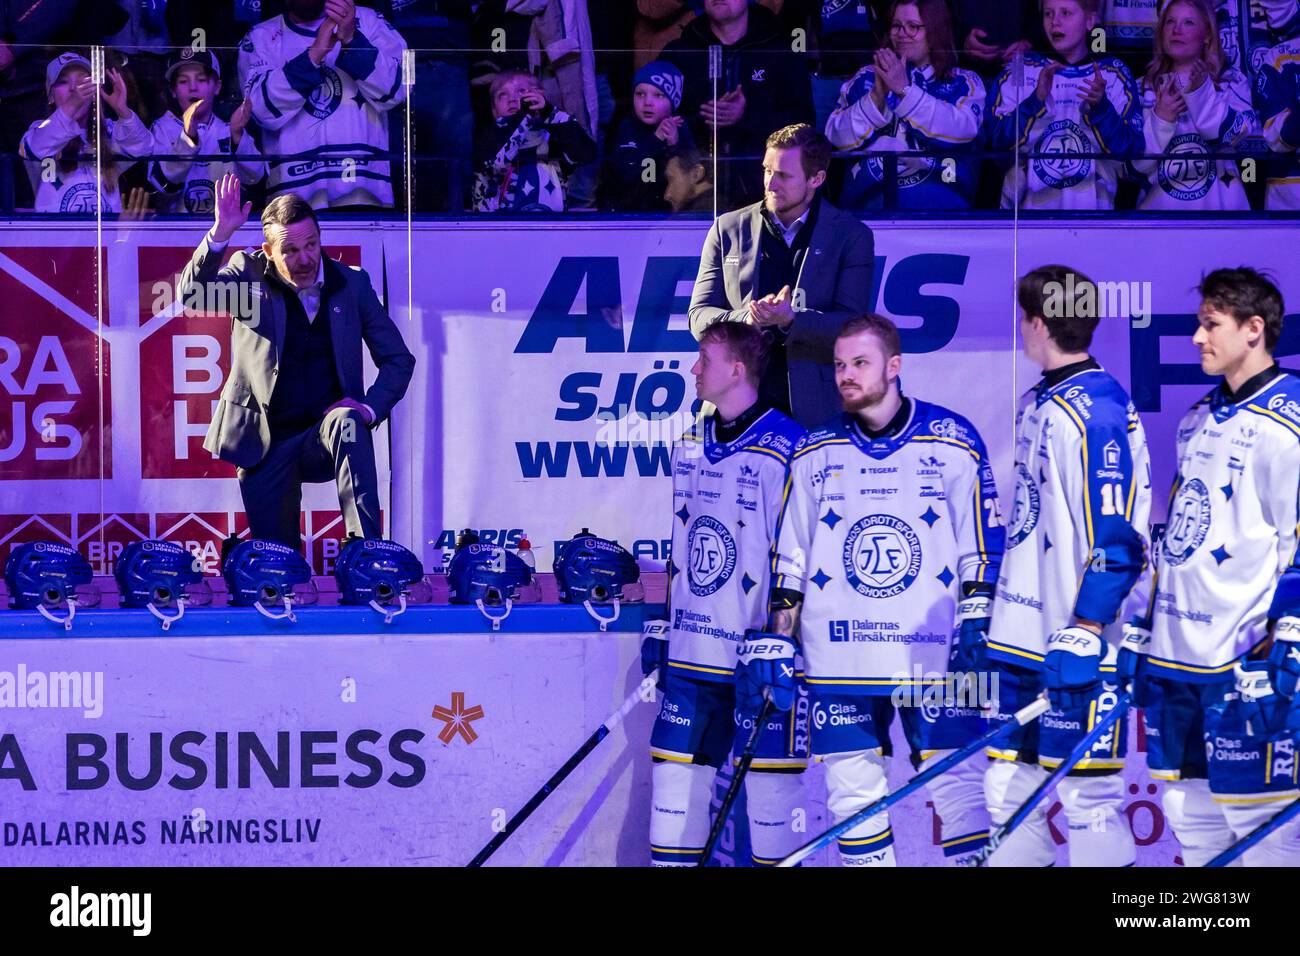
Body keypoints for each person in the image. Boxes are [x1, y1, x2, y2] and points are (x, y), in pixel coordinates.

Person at [744, 314, 1004, 866]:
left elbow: (981, 549)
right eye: (839, 365)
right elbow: (790, 556)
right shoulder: (813, 451)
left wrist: (977, 626)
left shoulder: (954, 441)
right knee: (854, 801)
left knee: (960, 790)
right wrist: (779, 636)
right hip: (840, 658)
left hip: (934, 657)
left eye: (859, 363)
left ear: (894, 365)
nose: (846, 376)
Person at [1127, 267, 1300, 865]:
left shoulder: (1291, 421)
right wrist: (1140, 634)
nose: (1198, 338)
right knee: (1192, 823)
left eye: (1210, 325)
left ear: (1254, 330)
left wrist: (1290, 642)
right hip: (1177, 664)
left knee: (1263, 832)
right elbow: (1177, 537)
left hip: (1243, 663)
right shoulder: (1196, 419)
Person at [981, 265, 1152, 867]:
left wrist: (1087, 627)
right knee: (1006, 791)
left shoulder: (1095, 409)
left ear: (1036, 323)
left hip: (1077, 641)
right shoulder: (1041, 401)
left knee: (1089, 795)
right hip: (1024, 639)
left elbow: (1119, 534)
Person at [640, 321, 809, 867]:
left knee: (771, 820)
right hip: (691, 660)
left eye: (703, 359)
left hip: (757, 660)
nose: (693, 369)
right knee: (672, 807)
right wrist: (666, 622)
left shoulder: (789, 448)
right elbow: (682, 544)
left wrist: (784, 641)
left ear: (736, 370)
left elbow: (801, 557)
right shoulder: (689, 443)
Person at [177, 173, 415, 549]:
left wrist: (369, 408)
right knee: (279, 565)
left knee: (349, 421)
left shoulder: (350, 285)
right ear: (268, 252)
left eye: (312, 245)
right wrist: (220, 234)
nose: (304, 259)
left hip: (324, 435)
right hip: (263, 442)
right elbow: (193, 296)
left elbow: (398, 359)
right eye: (290, 251)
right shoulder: (250, 281)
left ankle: (368, 553)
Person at [688, 123, 875, 430]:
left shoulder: (851, 236)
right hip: (736, 409)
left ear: (816, 178)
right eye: (766, 170)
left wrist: (791, 320)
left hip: (814, 412)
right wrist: (745, 319)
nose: (770, 183)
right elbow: (698, 318)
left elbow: (852, 328)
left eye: (784, 175)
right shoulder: (727, 229)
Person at [237, 0, 409, 209]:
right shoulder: (260, 36)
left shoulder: (370, 21)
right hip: (291, 203)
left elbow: (400, 88)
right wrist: (315, 53)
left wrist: (353, 39)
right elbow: (259, 110)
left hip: (363, 192)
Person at [825, 0, 987, 210]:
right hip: (868, 215)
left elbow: (962, 130)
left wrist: (905, 90)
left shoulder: (963, 81)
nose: (902, 34)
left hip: (942, 217)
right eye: (896, 25)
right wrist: (876, 96)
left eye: (913, 27)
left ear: (935, 31)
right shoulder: (866, 77)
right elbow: (836, 137)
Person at [985, 0, 1144, 210]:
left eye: (1066, 13)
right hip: (1026, 219)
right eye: (1048, 14)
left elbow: (1132, 155)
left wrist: (1101, 108)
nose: (1055, 22)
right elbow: (996, 147)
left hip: (1094, 217)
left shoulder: (1113, 72)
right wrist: (1036, 101)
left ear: (1089, 21)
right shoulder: (1020, 66)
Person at [661, 0, 815, 209]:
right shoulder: (679, 53)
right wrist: (704, 118)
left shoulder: (781, 52)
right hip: (697, 196)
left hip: (765, 190)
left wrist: (746, 116)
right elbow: (655, 121)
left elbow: (803, 123)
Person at [1134, 0, 1255, 211]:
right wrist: (1161, 118)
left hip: (1221, 217)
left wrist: (1200, 92)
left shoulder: (1231, 82)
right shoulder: (1142, 87)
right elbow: (1135, 167)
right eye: (1170, 22)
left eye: (1188, 22)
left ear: (1208, 35)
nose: (1176, 29)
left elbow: (1228, 136)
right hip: (1159, 221)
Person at [18, 52, 152, 213]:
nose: (75, 89)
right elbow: (36, 148)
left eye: (84, 81)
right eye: (63, 82)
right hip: (55, 237)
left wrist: (123, 111)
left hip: (103, 236)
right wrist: (72, 105)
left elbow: (144, 148)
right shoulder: (38, 129)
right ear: (50, 96)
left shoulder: (109, 132)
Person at [148, 48, 265, 215]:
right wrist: (188, 137)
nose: (193, 87)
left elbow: (256, 180)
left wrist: (237, 135)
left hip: (227, 229)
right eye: (183, 81)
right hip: (176, 233)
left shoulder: (229, 128)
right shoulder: (162, 128)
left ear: (217, 86)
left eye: (201, 80)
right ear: (172, 91)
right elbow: (165, 186)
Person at [472, 69, 597, 212]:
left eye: (520, 91)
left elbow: (587, 154)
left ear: (539, 96)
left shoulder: (551, 137)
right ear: (494, 110)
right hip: (500, 229)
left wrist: (549, 112)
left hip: (550, 226)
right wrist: (524, 117)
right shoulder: (487, 136)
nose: (512, 99)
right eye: (502, 95)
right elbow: (497, 164)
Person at [602, 59, 692, 211]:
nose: (647, 102)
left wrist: (674, 146)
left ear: (673, 101)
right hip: (628, 214)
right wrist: (656, 139)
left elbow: (690, 180)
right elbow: (626, 173)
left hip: (666, 214)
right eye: (640, 94)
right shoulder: (627, 127)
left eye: (658, 95)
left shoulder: (680, 128)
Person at [663, 143, 715, 213]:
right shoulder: (716, 209)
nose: (667, 195)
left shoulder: (697, 215)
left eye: (671, 179)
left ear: (696, 174)